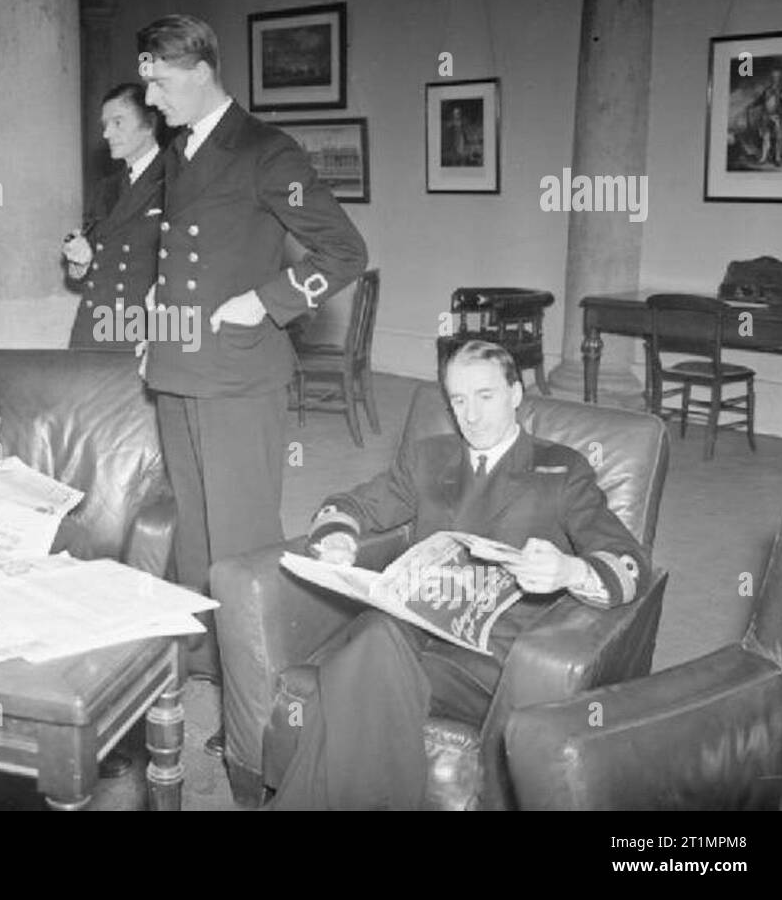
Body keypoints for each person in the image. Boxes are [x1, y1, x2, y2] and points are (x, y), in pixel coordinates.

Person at [269, 339, 651, 809]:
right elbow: (350, 505)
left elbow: (629, 562)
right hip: (408, 627)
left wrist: (568, 569)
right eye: (459, 400)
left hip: (483, 656)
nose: (471, 415)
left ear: (516, 393)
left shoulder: (560, 470)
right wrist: (338, 537)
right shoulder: (429, 457)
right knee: (373, 638)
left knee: (358, 664)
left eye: (485, 396)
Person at [136, 14, 369, 747]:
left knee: (241, 545)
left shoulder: (267, 151)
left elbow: (344, 252)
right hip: (179, 369)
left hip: (238, 377)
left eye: (161, 81)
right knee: (198, 541)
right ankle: (213, 672)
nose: (151, 98)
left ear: (201, 71)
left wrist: (265, 302)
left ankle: (260, 715)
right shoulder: (179, 151)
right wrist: (154, 306)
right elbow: (182, 252)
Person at [63, 82, 166, 349]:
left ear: (149, 124)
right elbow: (95, 263)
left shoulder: (176, 179)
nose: (107, 133)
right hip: (94, 325)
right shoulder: (105, 187)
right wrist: (80, 262)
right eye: (105, 125)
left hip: (144, 328)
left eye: (118, 122)